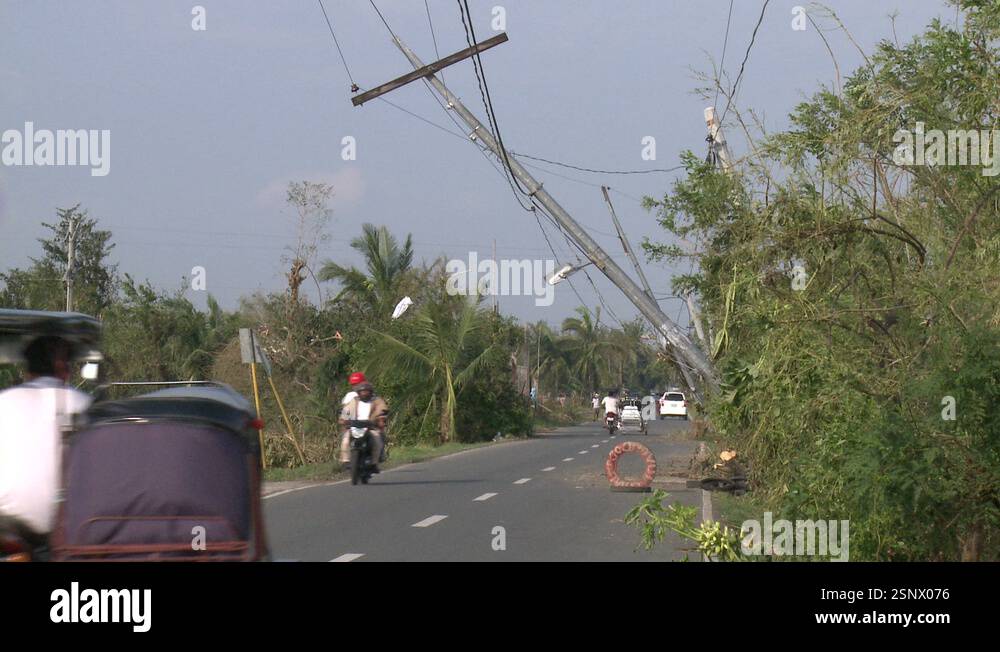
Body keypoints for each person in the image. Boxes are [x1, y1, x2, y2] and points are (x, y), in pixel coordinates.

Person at [0, 336, 91, 544]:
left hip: (7, 529)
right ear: (62, 368)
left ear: (28, 370)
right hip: (71, 529)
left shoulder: (4, 401)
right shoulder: (87, 405)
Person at [338, 381, 388, 471]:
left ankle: (374, 463)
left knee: (377, 441)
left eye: (367, 391)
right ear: (358, 393)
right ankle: (346, 461)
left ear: (371, 392)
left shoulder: (377, 400)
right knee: (345, 440)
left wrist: (381, 419)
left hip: (371, 427)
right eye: (362, 391)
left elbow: (382, 409)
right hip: (355, 426)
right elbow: (346, 410)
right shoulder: (354, 401)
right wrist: (343, 419)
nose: (364, 393)